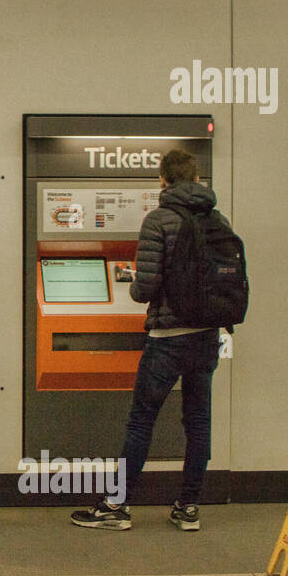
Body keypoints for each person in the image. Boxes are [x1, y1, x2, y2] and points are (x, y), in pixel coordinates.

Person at [71, 148, 223, 532]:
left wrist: (134, 284)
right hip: (206, 337)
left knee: (141, 421)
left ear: (162, 179)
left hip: (167, 338)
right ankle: (188, 507)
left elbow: (145, 288)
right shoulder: (216, 218)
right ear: (196, 177)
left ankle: (117, 506)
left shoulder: (158, 220)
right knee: (199, 421)